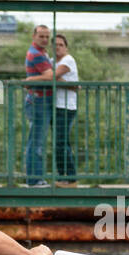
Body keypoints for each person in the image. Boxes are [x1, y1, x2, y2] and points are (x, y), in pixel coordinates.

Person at [22, 24, 55, 187]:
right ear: (34, 36)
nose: (45, 39)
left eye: (47, 37)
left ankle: (36, 178)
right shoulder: (36, 54)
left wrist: (30, 80)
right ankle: (35, 180)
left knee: (37, 141)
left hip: (40, 100)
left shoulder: (42, 52)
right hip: (38, 101)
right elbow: (50, 76)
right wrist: (31, 80)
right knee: (36, 142)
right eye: (41, 36)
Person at [52, 33, 79, 187]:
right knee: (61, 143)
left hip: (67, 107)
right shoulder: (52, 61)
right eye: (55, 45)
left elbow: (53, 75)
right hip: (56, 106)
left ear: (66, 47)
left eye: (61, 45)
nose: (58, 47)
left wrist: (56, 79)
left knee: (61, 142)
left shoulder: (68, 60)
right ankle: (65, 176)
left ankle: (69, 177)